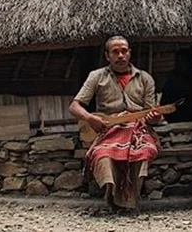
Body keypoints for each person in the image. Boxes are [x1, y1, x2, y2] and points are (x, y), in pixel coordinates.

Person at [69, 36, 162, 211]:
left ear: (129, 53)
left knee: (145, 151)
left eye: (124, 51)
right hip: (109, 129)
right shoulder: (97, 76)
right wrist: (90, 118)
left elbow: (150, 111)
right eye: (115, 52)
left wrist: (154, 116)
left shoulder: (145, 78)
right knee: (102, 153)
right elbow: (74, 106)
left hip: (138, 129)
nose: (121, 55)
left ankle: (130, 201)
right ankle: (110, 195)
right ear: (107, 56)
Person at [160, 48, 192, 122]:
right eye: (181, 62)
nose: (183, 65)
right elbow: (164, 102)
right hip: (174, 118)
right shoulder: (171, 79)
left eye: (186, 61)